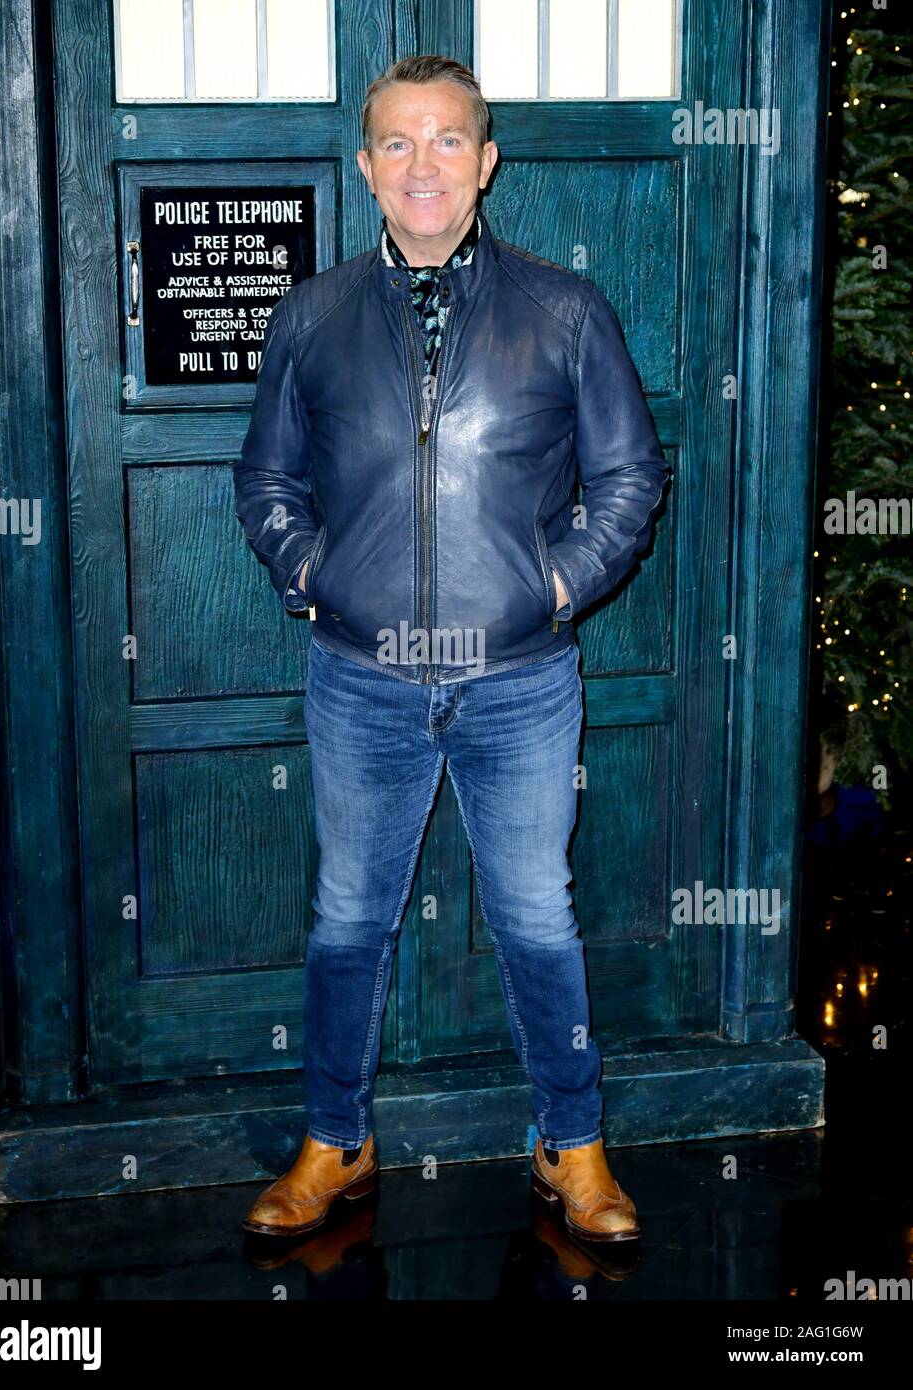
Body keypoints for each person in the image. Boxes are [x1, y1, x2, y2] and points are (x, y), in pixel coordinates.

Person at [233, 54, 670, 1248]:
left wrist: (559, 583)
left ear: (485, 162)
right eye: (397, 144)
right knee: (346, 920)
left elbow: (631, 478)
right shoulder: (310, 315)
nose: (422, 166)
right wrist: (315, 576)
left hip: (521, 680)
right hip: (361, 678)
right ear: (367, 166)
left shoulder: (566, 309)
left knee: (538, 918)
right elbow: (267, 479)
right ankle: (337, 1138)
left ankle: (570, 1147)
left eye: (446, 142)